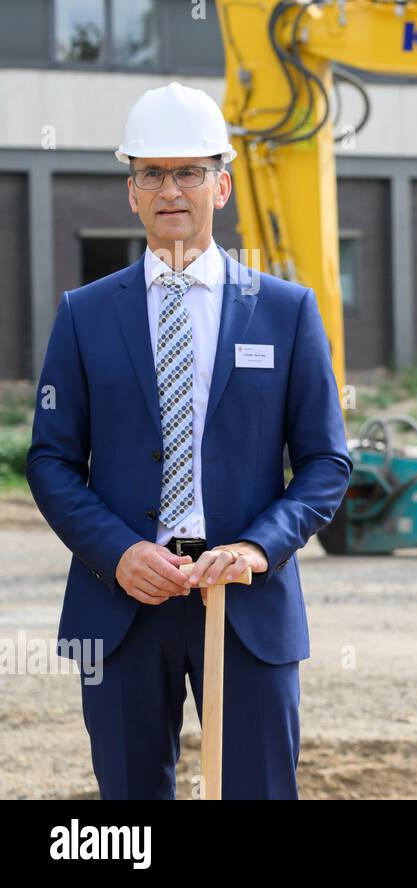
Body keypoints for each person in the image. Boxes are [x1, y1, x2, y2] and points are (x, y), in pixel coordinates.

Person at [26, 82, 352, 799]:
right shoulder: (83, 315)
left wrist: (257, 546)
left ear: (222, 185)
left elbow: (326, 460)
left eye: (188, 172)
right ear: (132, 194)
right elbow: (50, 459)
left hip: (245, 603)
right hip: (122, 607)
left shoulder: (286, 311)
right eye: (151, 172)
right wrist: (117, 552)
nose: (169, 189)